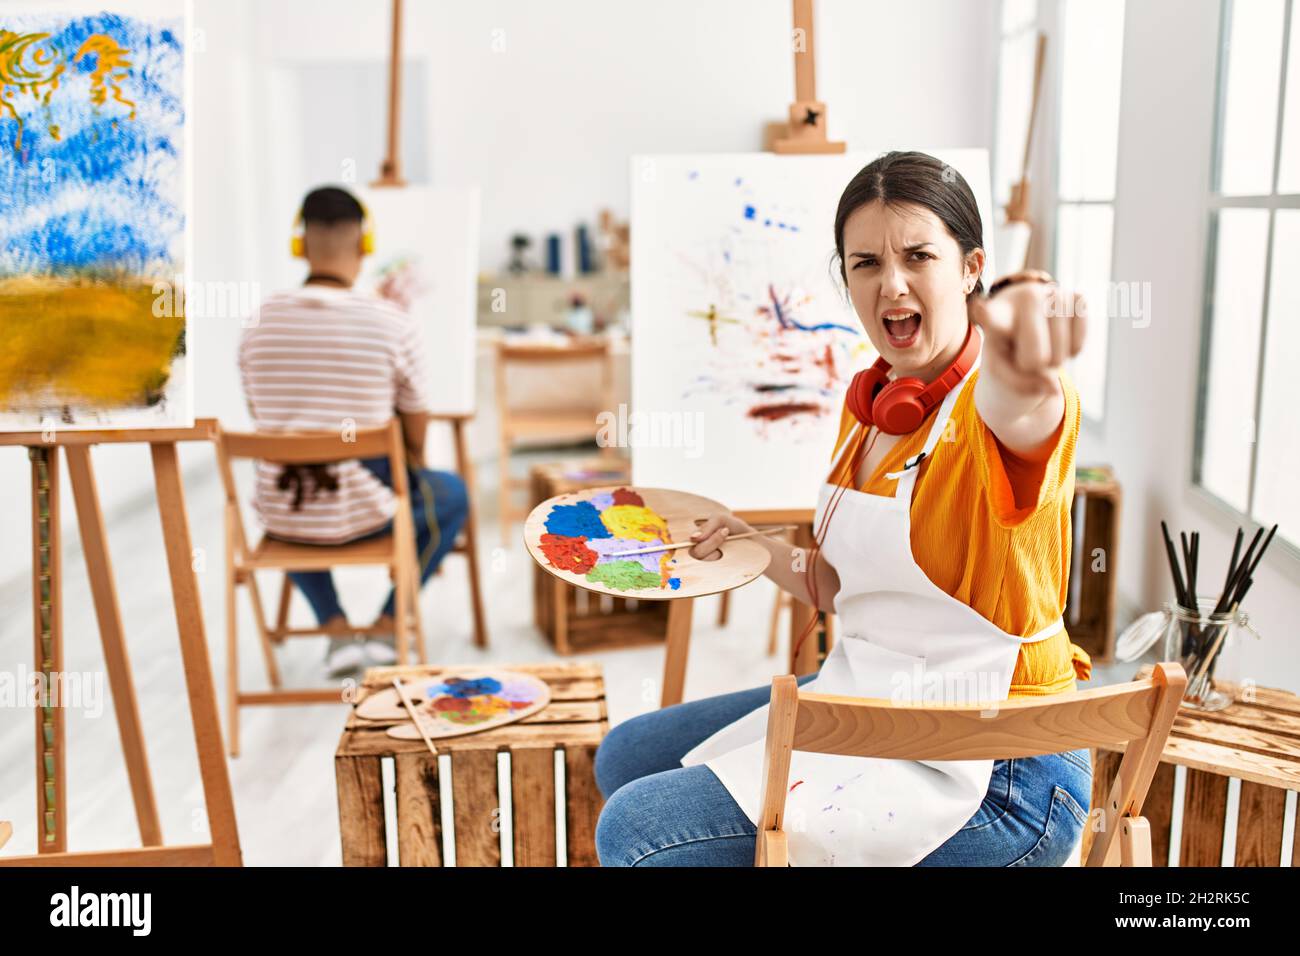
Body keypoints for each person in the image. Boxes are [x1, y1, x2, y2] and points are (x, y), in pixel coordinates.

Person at [593, 151, 1095, 867]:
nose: (891, 283)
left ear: (972, 268)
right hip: (876, 699)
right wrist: (759, 545)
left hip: (999, 765)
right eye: (865, 263)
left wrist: (1026, 357)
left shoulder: (996, 407)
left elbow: (1028, 404)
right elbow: (838, 584)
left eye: (919, 255)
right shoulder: (872, 409)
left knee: (635, 829)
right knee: (627, 753)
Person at [238, 185, 469, 679]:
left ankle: (335, 629)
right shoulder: (391, 323)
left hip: (286, 515)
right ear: (366, 245)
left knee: (285, 483)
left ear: (298, 244)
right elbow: (415, 416)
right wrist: (413, 465)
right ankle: (387, 625)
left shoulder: (258, 323)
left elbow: (265, 419)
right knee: (449, 496)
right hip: (370, 508)